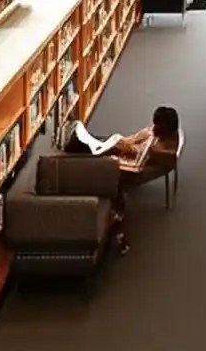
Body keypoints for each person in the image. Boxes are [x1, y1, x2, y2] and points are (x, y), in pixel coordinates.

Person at [63, 106, 182, 255]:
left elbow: (141, 162)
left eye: (157, 125)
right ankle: (83, 140)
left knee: (99, 157)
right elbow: (142, 139)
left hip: (133, 169)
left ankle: (77, 147)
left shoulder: (161, 149)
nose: (153, 127)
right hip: (132, 157)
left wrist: (127, 151)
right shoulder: (163, 136)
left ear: (165, 128)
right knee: (103, 143)